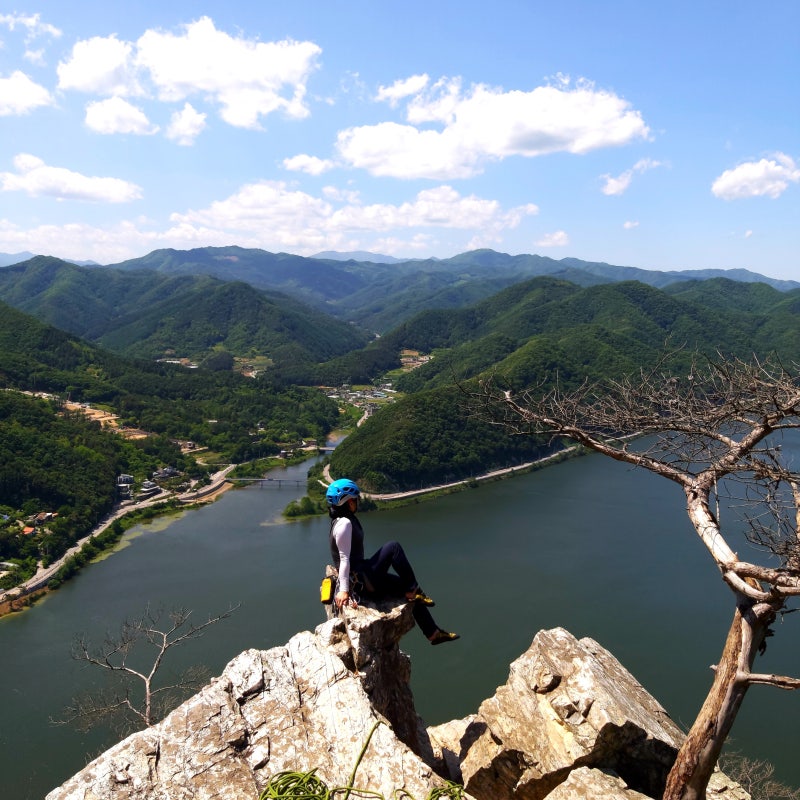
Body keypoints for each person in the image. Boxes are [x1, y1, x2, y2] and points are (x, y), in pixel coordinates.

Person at [326, 477, 460, 646]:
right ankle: (414, 589)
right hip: (362, 579)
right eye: (354, 499)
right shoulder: (344, 523)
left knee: (410, 594)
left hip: (363, 580)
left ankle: (433, 633)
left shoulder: (338, 521)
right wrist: (344, 590)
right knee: (393, 547)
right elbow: (344, 558)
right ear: (346, 501)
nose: (356, 502)